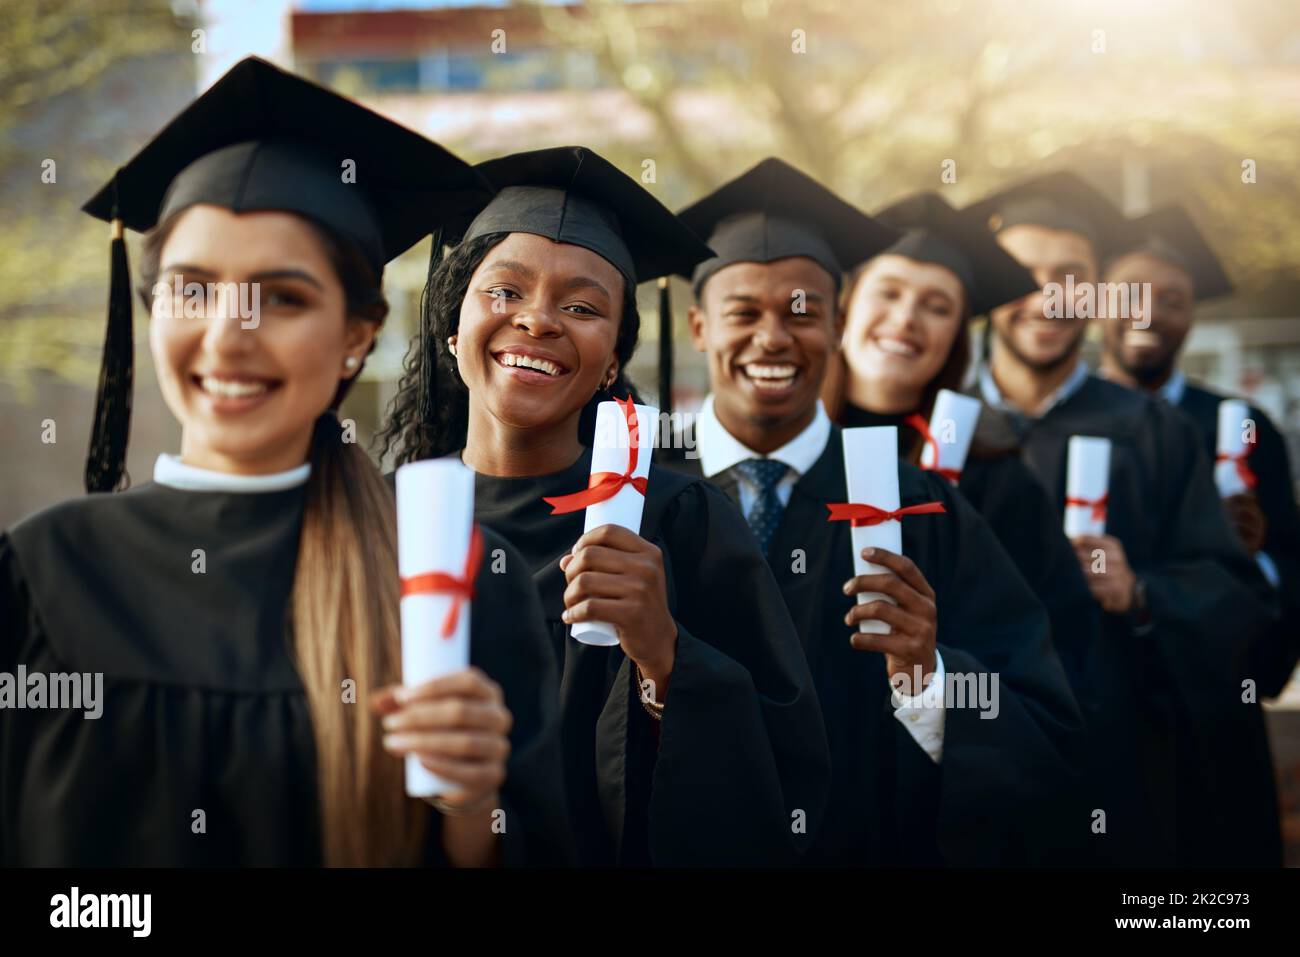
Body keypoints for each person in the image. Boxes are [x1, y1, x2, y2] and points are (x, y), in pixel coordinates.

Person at [0, 57, 571, 867]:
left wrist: (474, 805)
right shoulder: (44, 571)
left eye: (282, 296)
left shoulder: (456, 579)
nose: (229, 333)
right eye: (192, 289)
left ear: (355, 337)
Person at [378, 145, 831, 867]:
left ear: (613, 360)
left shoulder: (680, 518)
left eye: (582, 306)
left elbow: (786, 777)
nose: (538, 320)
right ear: (452, 326)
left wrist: (665, 657)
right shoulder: (380, 523)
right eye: (505, 291)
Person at [657, 158, 1083, 866]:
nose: (772, 337)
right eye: (742, 312)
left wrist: (931, 674)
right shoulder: (637, 503)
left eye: (802, 311)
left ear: (836, 323)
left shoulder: (923, 506)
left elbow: (1043, 717)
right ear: (699, 326)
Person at [962, 171, 1281, 866]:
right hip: (969, 765)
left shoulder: (1152, 429)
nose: (1048, 296)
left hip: (1119, 769)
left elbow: (1235, 599)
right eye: (1023, 273)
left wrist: (1141, 591)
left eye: (1071, 276)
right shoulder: (939, 428)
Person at [824, 190, 1098, 692]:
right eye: (888, 293)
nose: (906, 318)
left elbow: (1051, 650)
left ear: (957, 337)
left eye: (937, 306)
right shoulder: (789, 453)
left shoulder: (995, 478)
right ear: (843, 311)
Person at [1100, 204, 1300, 700]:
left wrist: (1250, 557)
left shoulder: (1245, 430)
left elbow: (1290, 568)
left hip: (1210, 699)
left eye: (1172, 300)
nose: (1148, 313)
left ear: (1192, 316)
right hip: (1094, 697)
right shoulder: (1054, 426)